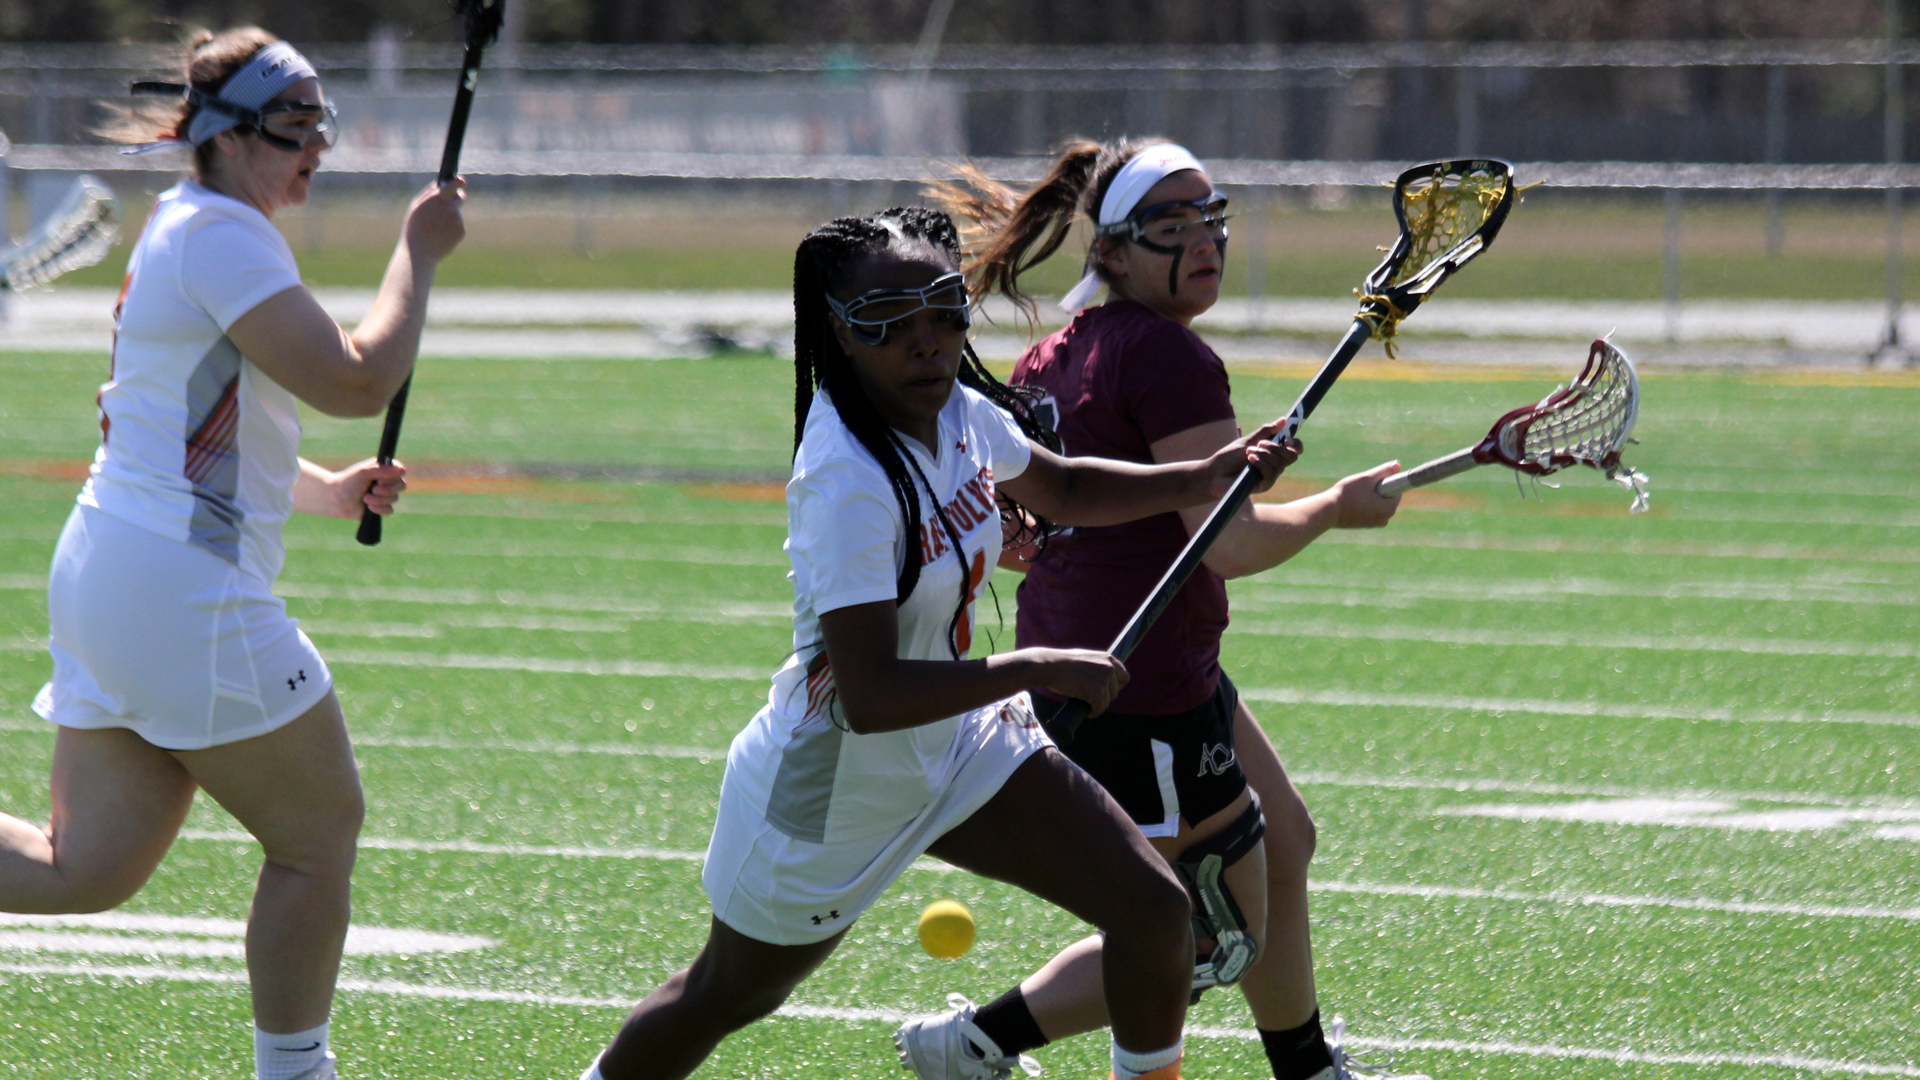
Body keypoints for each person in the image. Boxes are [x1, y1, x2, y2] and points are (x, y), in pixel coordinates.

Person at [577, 206, 1295, 1080]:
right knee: (724, 996)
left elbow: (1061, 485)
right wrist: (1033, 666)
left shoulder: (954, 406)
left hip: (959, 738)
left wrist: (1205, 472)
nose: (927, 343)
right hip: (836, 784)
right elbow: (871, 695)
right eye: (889, 325)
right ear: (840, 335)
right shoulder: (845, 479)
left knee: (1154, 909)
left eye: (946, 313)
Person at [0, 28, 464, 1080]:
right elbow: (355, 380)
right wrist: (417, 253)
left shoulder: (193, 225)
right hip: (173, 591)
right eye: (298, 125)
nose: (317, 147)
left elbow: (198, 436)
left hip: (118, 567)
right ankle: (296, 1071)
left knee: (84, 869)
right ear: (230, 133)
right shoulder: (219, 234)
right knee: (319, 832)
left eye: (321, 125)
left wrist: (324, 490)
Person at [897, 141, 1417, 1080]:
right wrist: (1339, 508)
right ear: (1115, 252)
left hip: (1131, 660)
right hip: (1137, 690)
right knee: (1201, 933)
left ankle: (1305, 1068)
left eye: (1212, 220)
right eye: (1172, 228)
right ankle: (974, 1043)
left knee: (1284, 840)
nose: (1203, 243)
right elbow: (1231, 544)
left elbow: (1022, 525)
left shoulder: (1060, 348)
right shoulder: (1167, 353)